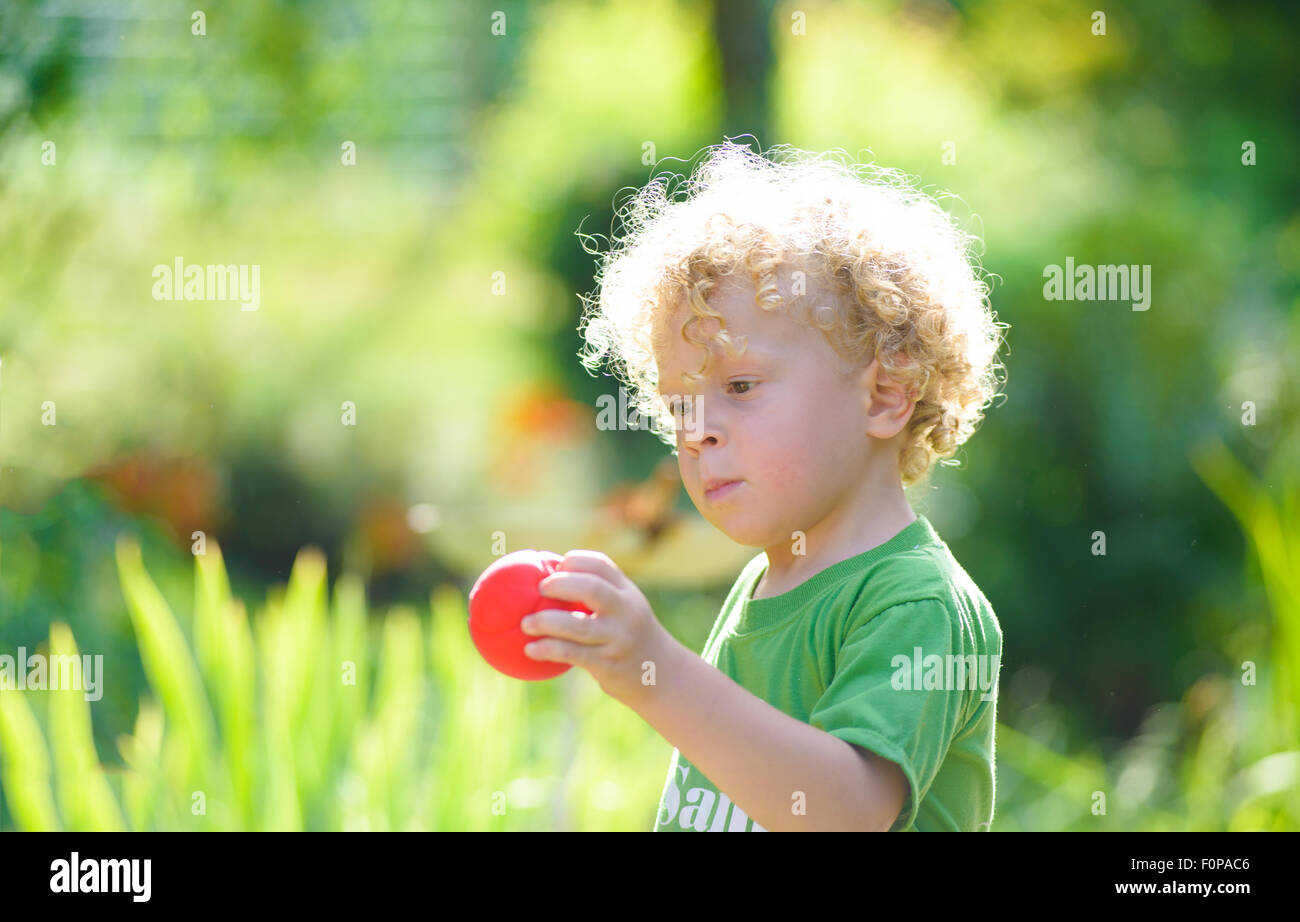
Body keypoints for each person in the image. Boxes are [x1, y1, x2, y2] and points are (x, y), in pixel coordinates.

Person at [521, 140, 1007, 831]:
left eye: (740, 386)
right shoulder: (766, 582)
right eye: (680, 407)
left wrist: (657, 670)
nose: (696, 433)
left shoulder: (914, 601)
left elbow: (847, 810)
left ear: (886, 395)